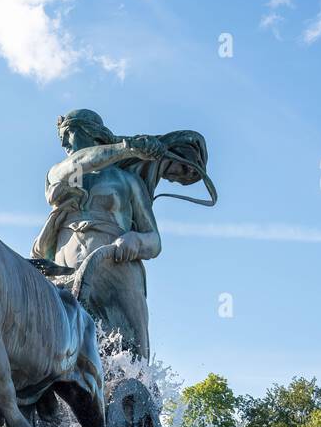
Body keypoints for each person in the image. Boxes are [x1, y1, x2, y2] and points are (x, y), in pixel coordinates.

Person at [31, 108, 210, 359]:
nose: (63, 142)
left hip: (119, 272)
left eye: (69, 133)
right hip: (65, 272)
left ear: (93, 134)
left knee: (133, 357)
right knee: (55, 353)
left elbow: (154, 241)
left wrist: (135, 240)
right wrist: (129, 148)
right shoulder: (60, 174)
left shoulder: (127, 182)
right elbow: (79, 163)